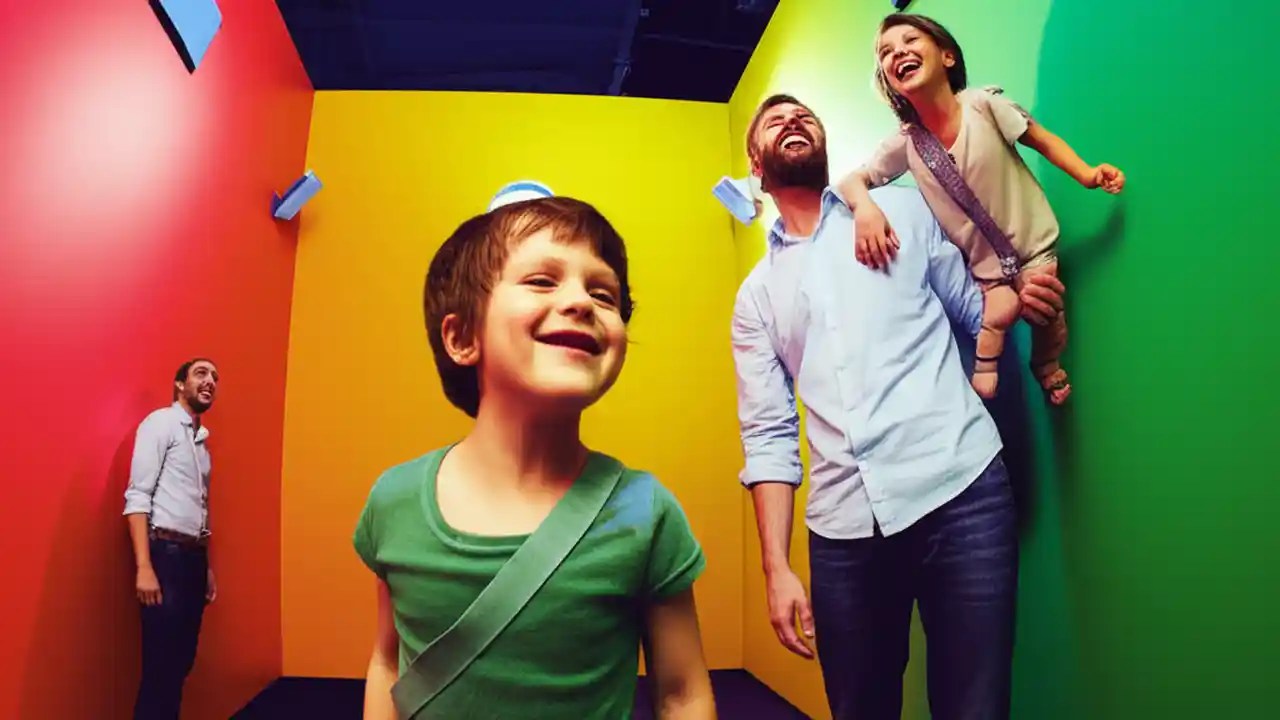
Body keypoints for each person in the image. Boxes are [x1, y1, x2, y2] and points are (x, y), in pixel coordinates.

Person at [731, 94, 1066, 720]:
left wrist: (1024, 299)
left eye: (804, 116)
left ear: (824, 143)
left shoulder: (905, 210)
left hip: (963, 492)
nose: (793, 121)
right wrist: (776, 568)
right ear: (756, 164)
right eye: (774, 122)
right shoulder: (755, 298)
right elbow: (768, 435)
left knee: (976, 709)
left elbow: (976, 312)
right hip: (843, 530)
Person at [353, 195, 715, 718]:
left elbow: (682, 693)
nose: (582, 302)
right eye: (543, 281)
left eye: (604, 294)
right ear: (461, 337)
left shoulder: (647, 511)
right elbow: (388, 665)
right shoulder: (395, 500)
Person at [837, 12, 1125, 405]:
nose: (898, 52)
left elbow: (1041, 139)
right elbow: (852, 180)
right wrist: (865, 210)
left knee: (1044, 308)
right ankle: (985, 368)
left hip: (1033, 246)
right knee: (998, 312)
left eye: (910, 40)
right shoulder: (905, 143)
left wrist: (1087, 174)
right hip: (988, 272)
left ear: (947, 56)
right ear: (890, 83)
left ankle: (1045, 362)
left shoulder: (983, 105)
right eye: (886, 52)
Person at [122, 358, 220, 720]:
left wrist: (205, 566)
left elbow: (200, 509)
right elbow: (137, 496)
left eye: (214, 377)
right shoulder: (160, 423)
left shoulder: (202, 446)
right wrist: (144, 566)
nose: (210, 381)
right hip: (165, 555)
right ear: (180, 384)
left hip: (193, 559)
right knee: (160, 666)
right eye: (201, 374)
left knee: (181, 663)